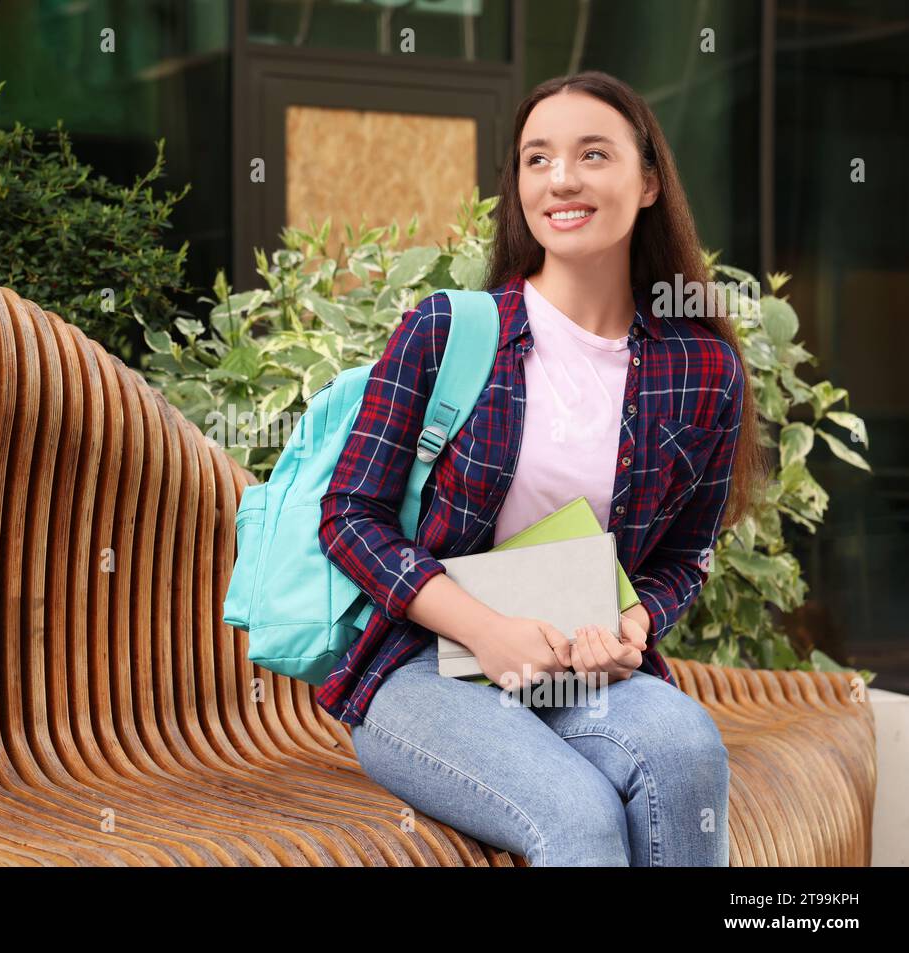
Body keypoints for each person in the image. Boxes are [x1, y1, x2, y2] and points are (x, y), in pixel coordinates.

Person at [316, 70, 767, 866]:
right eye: (537, 158)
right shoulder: (448, 332)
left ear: (650, 180)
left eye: (593, 154)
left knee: (685, 747)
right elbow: (350, 514)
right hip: (424, 668)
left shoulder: (702, 372)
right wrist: (485, 631)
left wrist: (633, 626)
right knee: (580, 817)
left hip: (575, 664)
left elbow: (685, 557)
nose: (561, 179)